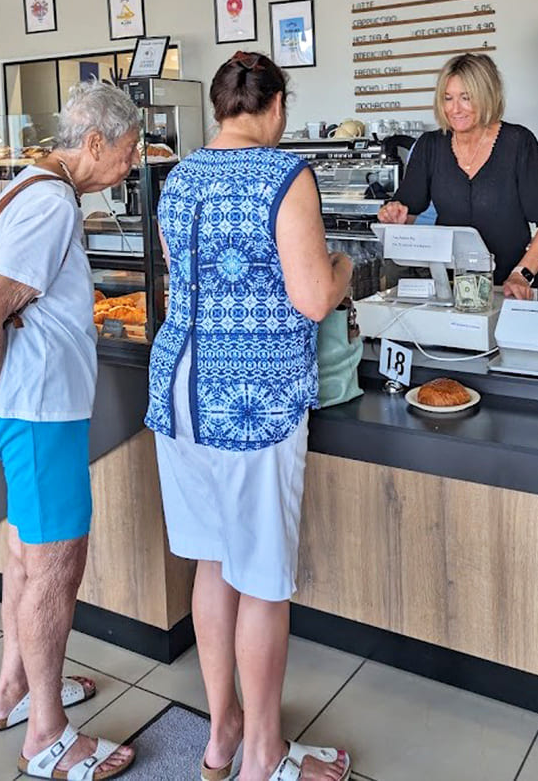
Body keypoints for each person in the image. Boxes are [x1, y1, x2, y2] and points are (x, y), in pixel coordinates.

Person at [146, 51, 353, 781]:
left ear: (218, 107)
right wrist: (344, 269)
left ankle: (222, 733)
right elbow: (311, 298)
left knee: (212, 561)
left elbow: (181, 276)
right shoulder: (284, 175)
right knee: (261, 575)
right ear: (274, 108)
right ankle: (265, 752)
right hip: (253, 397)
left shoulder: (178, 179)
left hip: (180, 393)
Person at [0, 81, 140, 780]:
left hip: (32, 410)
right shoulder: (48, 205)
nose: (132, 166)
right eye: (129, 152)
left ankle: (15, 690)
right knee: (54, 569)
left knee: (25, 556)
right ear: (96, 142)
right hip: (40, 416)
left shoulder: (35, 185)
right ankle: (47, 735)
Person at [378, 53, 538, 297]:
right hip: (449, 288)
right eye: (448, 98)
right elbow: (408, 212)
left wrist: (522, 274)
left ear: (487, 96)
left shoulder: (518, 143)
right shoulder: (430, 146)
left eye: (466, 98)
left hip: (508, 288)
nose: (455, 109)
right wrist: (395, 214)